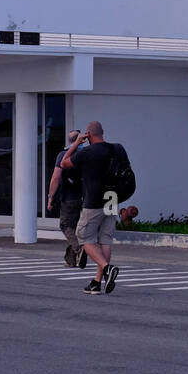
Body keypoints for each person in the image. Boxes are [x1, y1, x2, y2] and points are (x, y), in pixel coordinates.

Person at [60, 120, 123, 294]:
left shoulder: (86, 152)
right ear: (102, 132)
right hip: (112, 199)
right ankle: (97, 282)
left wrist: (76, 143)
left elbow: (64, 163)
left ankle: (107, 268)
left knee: (83, 236)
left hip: (94, 200)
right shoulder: (117, 148)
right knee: (105, 240)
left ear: (88, 135)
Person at [47, 130, 87, 269]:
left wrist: (50, 197)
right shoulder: (86, 154)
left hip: (69, 197)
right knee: (74, 228)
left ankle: (79, 249)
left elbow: (56, 177)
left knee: (65, 225)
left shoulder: (64, 155)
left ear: (69, 140)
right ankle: (70, 260)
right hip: (86, 197)